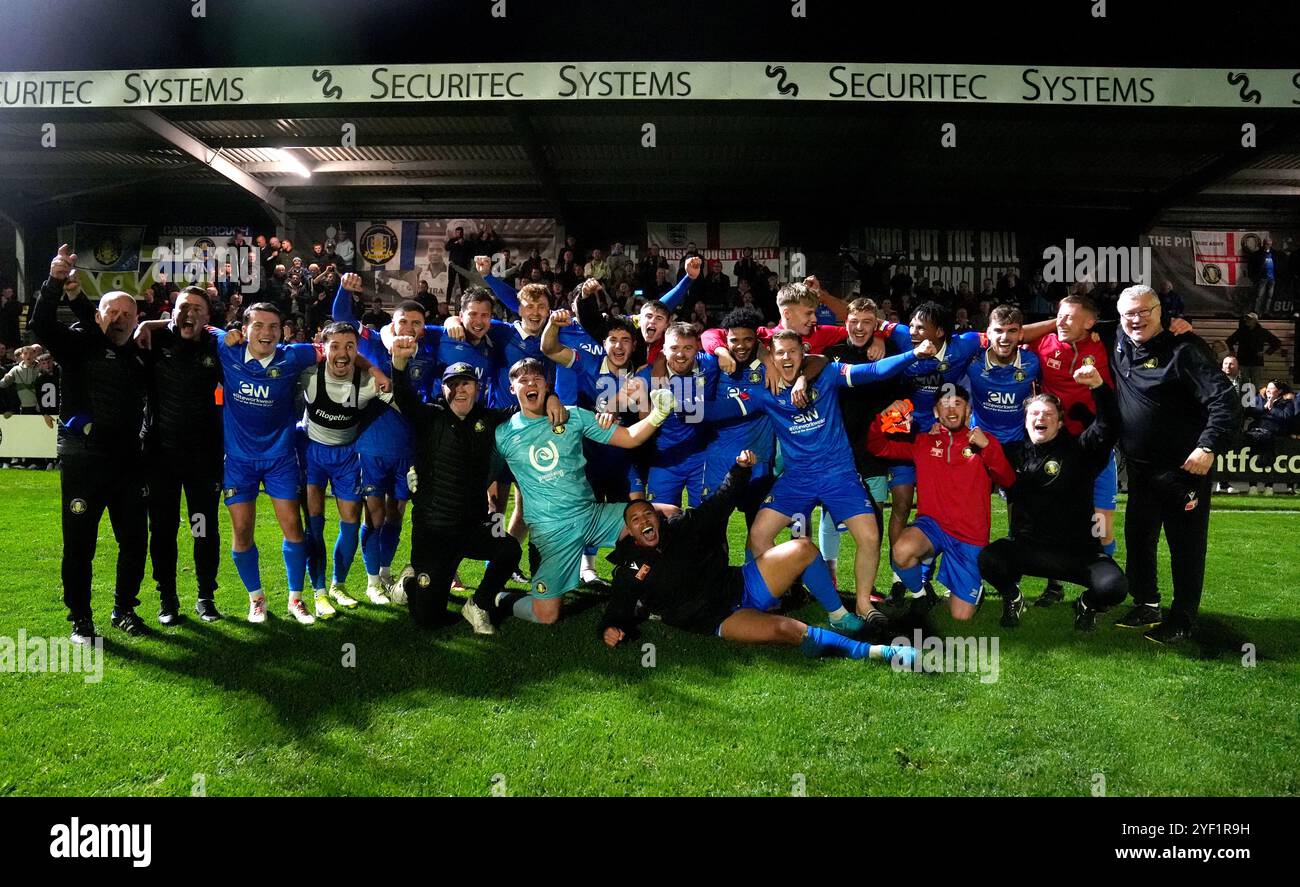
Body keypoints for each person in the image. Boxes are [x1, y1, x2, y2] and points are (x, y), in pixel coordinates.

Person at [599, 451, 917, 668]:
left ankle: (837, 614)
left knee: (803, 547)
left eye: (647, 514)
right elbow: (618, 606)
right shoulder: (628, 568)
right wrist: (610, 627)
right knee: (789, 631)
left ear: (657, 517)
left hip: (741, 584)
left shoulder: (682, 527)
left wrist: (740, 469)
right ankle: (880, 653)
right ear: (630, 531)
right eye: (636, 519)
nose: (644, 520)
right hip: (718, 617)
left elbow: (720, 502)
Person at [707, 329, 935, 624]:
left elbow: (874, 371)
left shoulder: (827, 375)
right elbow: (720, 410)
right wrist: (677, 405)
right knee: (758, 537)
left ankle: (864, 605)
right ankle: (796, 598)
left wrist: (913, 354)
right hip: (797, 478)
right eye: (780, 353)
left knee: (868, 536)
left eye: (792, 351)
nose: (786, 357)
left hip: (839, 474)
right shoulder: (766, 392)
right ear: (772, 359)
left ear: (803, 354)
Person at [219, 302, 379, 625]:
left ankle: (297, 598)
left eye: (273, 327)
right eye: (259, 326)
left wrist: (373, 370)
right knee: (241, 529)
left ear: (283, 331)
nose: (266, 333)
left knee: (293, 526)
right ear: (244, 328)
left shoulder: (294, 357)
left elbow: (341, 350)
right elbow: (193, 327)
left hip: (280, 458)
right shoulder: (226, 349)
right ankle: (257, 599)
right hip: (239, 460)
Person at [491, 357, 678, 625]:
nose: (530, 384)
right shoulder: (503, 434)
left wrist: (658, 415)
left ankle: (652, 590)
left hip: (591, 517)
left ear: (548, 386)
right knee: (546, 616)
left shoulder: (574, 415)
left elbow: (629, 438)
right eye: (523, 380)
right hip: (551, 532)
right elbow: (479, 467)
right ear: (512, 388)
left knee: (668, 514)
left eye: (537, 379)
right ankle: (503, 598)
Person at [392, 348, 559, 632]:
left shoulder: (489, 419)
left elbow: (525, 406)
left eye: (466, 383)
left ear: (477, 388)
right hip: (434, 532)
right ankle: (410, 581)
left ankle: (478, 604)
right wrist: (398, 364)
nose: (459, 389)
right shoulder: (429, 416)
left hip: (471, 528)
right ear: (442, 388)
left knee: (508, 549)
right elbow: (404, 396)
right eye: (452, 384)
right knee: (429, 620)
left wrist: (551, 396)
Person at [30, 245, 149, 643]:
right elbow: (42, 325)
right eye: (110, 312)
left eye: (125, 314)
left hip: (129, 462)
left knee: (134, 539)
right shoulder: (77, 344)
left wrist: (159, 323)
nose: (117, 319)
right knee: (79, 543)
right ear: (98, 316)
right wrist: (54, 281)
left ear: (136, 320)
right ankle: (81, 618)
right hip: (84, 460)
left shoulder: (138, 356)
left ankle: (124, 609)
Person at [1111, 285, 1242, 644]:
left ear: (1160, 312)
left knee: (1185, 544)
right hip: (1140, 470)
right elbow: (1077, 318)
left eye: (1143, 311)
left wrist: (1208, 446)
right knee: (1139, 538)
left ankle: (1183, 617)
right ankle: (1147, 603)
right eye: (1128, 314)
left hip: (1185, 469)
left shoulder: (1185, 350)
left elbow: (1225, 401)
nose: (1135, 319)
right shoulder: (1120, 341)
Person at [979, 366, 1128, 630]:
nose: (1040, 417)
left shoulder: (1081, 450)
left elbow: (1110, 425)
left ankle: (1086, 604)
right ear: (1025, 421)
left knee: (1114, 588)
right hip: (1029, 550)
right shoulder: (1013, 453)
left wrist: (1098, 386)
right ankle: (1013, 597)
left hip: (1079, 554)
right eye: (1034, 413)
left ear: (1059, 423)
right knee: (989, 559)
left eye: (1048, 414)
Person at [867, 385, 1016, 621]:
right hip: (932, 526)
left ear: (968, 410)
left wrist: (987, 449)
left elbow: (1007, 479)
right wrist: (881, 419)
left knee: (961, 616)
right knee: (902, 550)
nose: (951, 409)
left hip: (969, 535)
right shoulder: (924, 443)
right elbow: (878, 447)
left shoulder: (985, 443)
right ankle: (921, 595)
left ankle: (973, 589)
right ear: (936, 412)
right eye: (945, 405)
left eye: (957, 403)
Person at [133, 287, 225, 623]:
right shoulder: (154, 341)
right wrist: (150, 324)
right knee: (163, 530)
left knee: (202, 529)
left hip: (203, 461)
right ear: (172, 310)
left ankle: (205, 596)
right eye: (184, 307)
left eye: (198, 309)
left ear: (208, 317)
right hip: (161, 459)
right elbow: (126, 333)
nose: (190, 314)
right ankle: (167, 599)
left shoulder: (215, 346)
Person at [298, 322, 390, 619]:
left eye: (349, 346)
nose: (342, 352)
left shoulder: (366, 384)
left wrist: (376, 371)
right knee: (315, 525)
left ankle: (338, 584)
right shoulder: (309, 377)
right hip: (313, 455)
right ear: (323, 348)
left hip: (347, 458)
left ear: (357, 350)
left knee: (350, 524)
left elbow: (397, 395)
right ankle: (319, 590)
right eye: (334, 346)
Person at [1226, 312, 1281, 397]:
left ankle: (1253, 406)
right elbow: (1229, 341)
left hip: (1255, 362)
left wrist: (1266, 353)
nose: (1246, 321)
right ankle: (1245, 406)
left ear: (1255, 321)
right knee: (1244, 385)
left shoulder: (1262, 332)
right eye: (1246, 319)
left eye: (1249, 319)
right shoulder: (1241, 331)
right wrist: (1232, 351)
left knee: (1254, 385)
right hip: (1243, 362)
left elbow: (1277, 343)